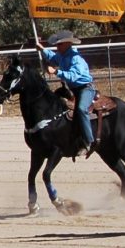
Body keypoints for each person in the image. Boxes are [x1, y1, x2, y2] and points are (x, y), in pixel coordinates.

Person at [36, 29, 97, 157]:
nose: (57, 47)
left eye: (59, 44)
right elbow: (53, 57)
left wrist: (56, 72)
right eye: (57, 45)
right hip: (73, 90)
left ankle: (89, 141)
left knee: (81, 109)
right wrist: (42, 49)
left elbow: (73, 76)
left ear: (68, 44)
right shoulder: (62, 55)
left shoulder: (76, 59)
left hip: (85, 88)